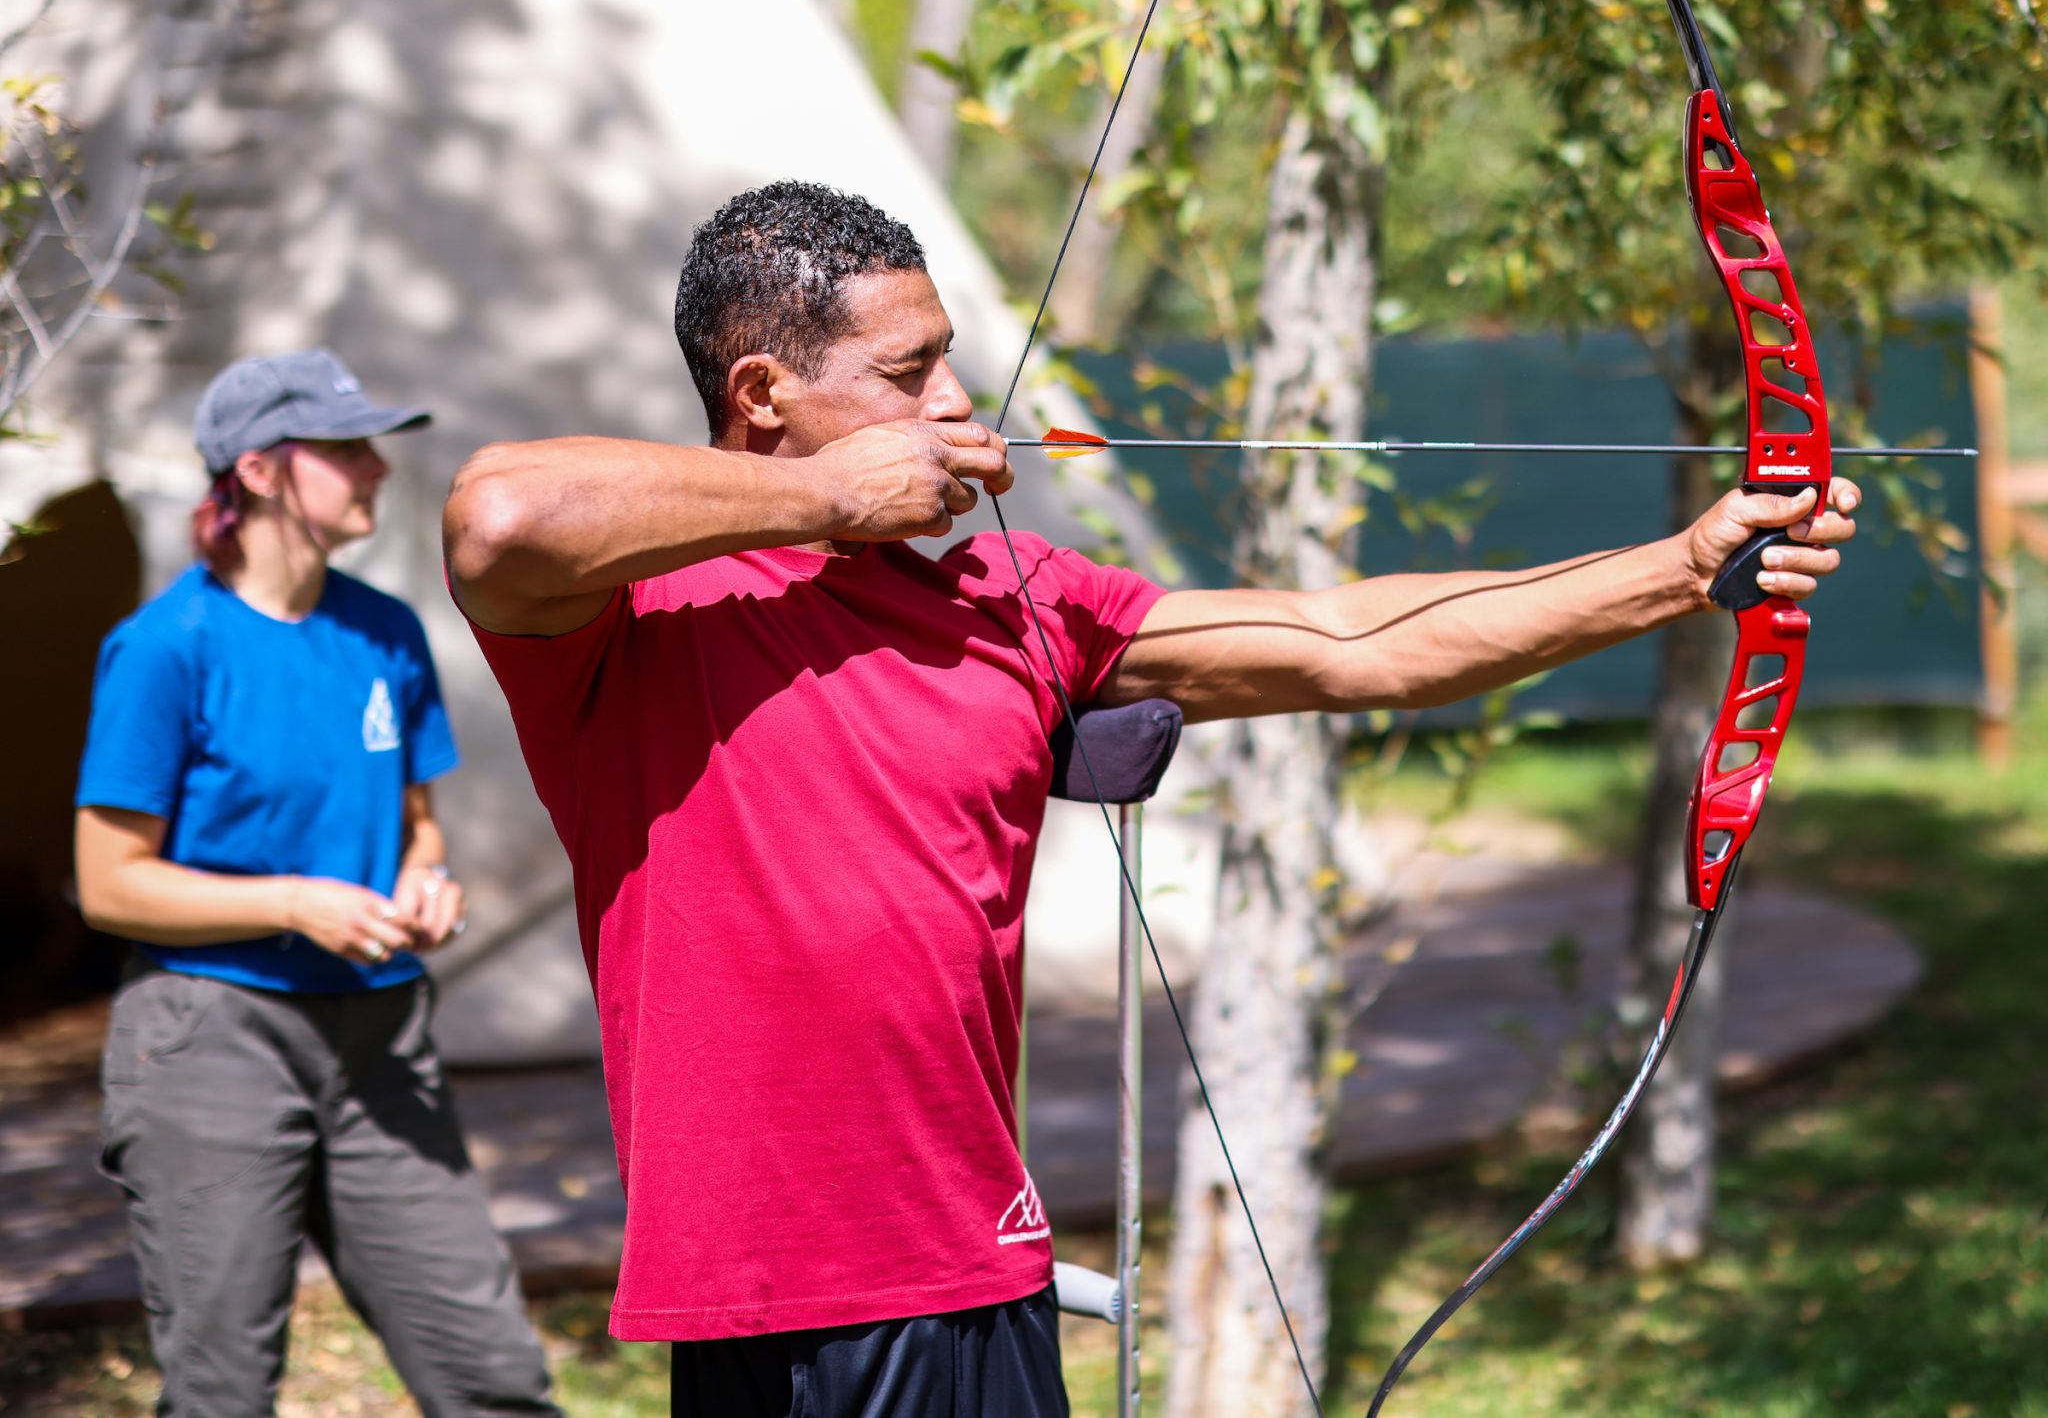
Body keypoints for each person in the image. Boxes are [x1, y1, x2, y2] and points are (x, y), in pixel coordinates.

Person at [442, 181, 1857, 1418]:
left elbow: (1349, 641)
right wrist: (828, 501)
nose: (954, 404)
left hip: (951, 1271)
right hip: (734, 1291)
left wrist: (1682, 569)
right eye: (908, 372)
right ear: (763, 396)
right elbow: (499, 517)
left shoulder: (1013, 601)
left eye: (952, 363)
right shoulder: (629, 615)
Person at [74, 349, 562, 1418]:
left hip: (381, 1040)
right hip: (211, 1037)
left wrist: (429, 887)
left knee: (491, 1375)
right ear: (257, 470)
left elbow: (418, 832)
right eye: (344, 448)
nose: (377, 469)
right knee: (222, 1393)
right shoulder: (166, 647)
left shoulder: (384, 631)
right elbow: (110, 884)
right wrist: (296, 901)